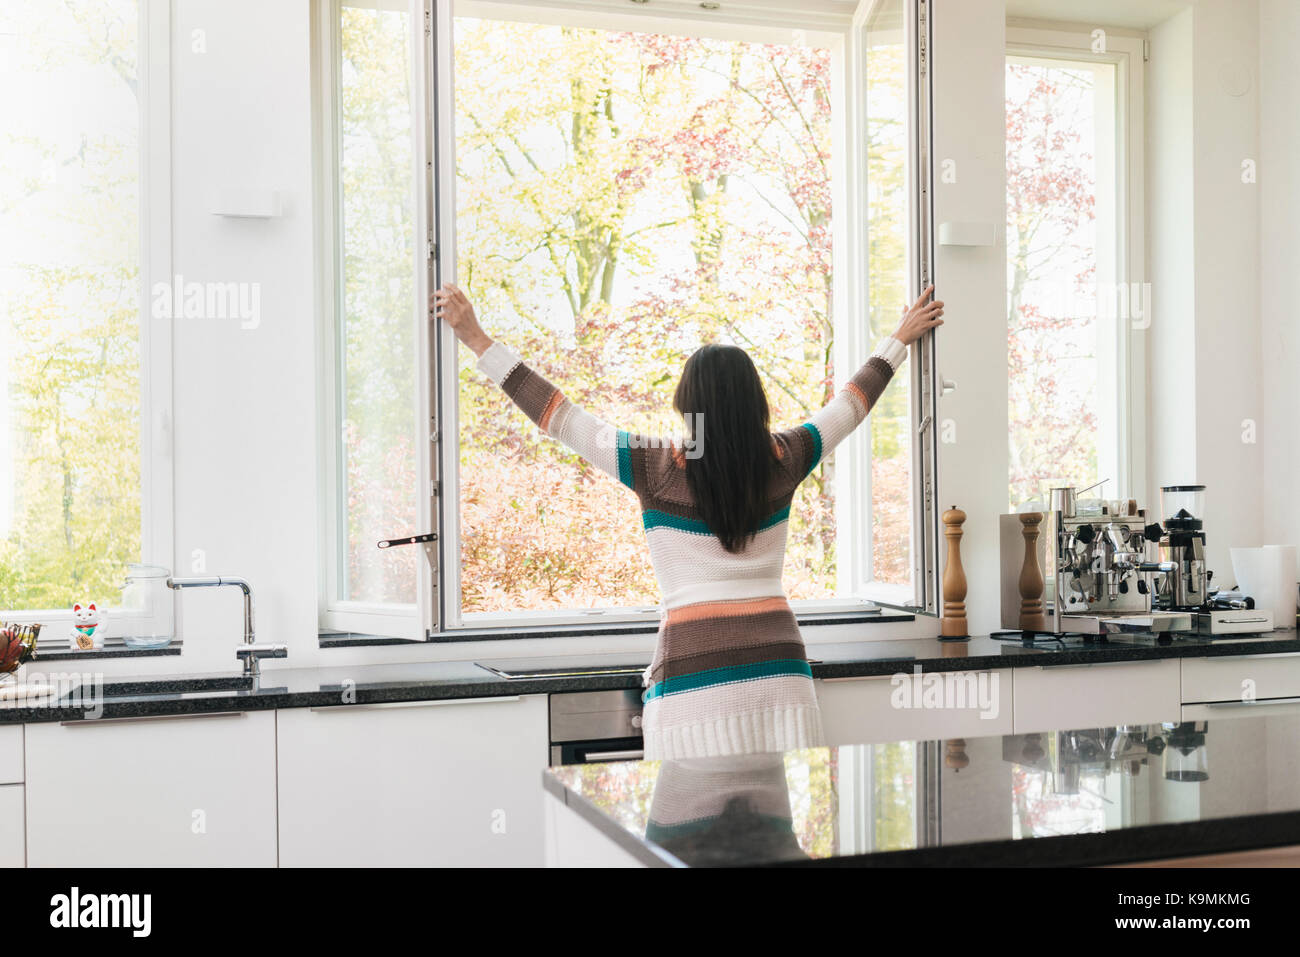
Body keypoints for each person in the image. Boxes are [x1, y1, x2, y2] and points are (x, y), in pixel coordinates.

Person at [432, 283, 944, 759]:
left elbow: (559, 415)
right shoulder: (787, 456)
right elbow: (852, 404)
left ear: (687, 405)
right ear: (754, 404)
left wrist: (477, 339)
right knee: (774, 848)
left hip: (695, 688)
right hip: (781, 676)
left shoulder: (652, 466)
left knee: (686, 845)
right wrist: (897, 340)